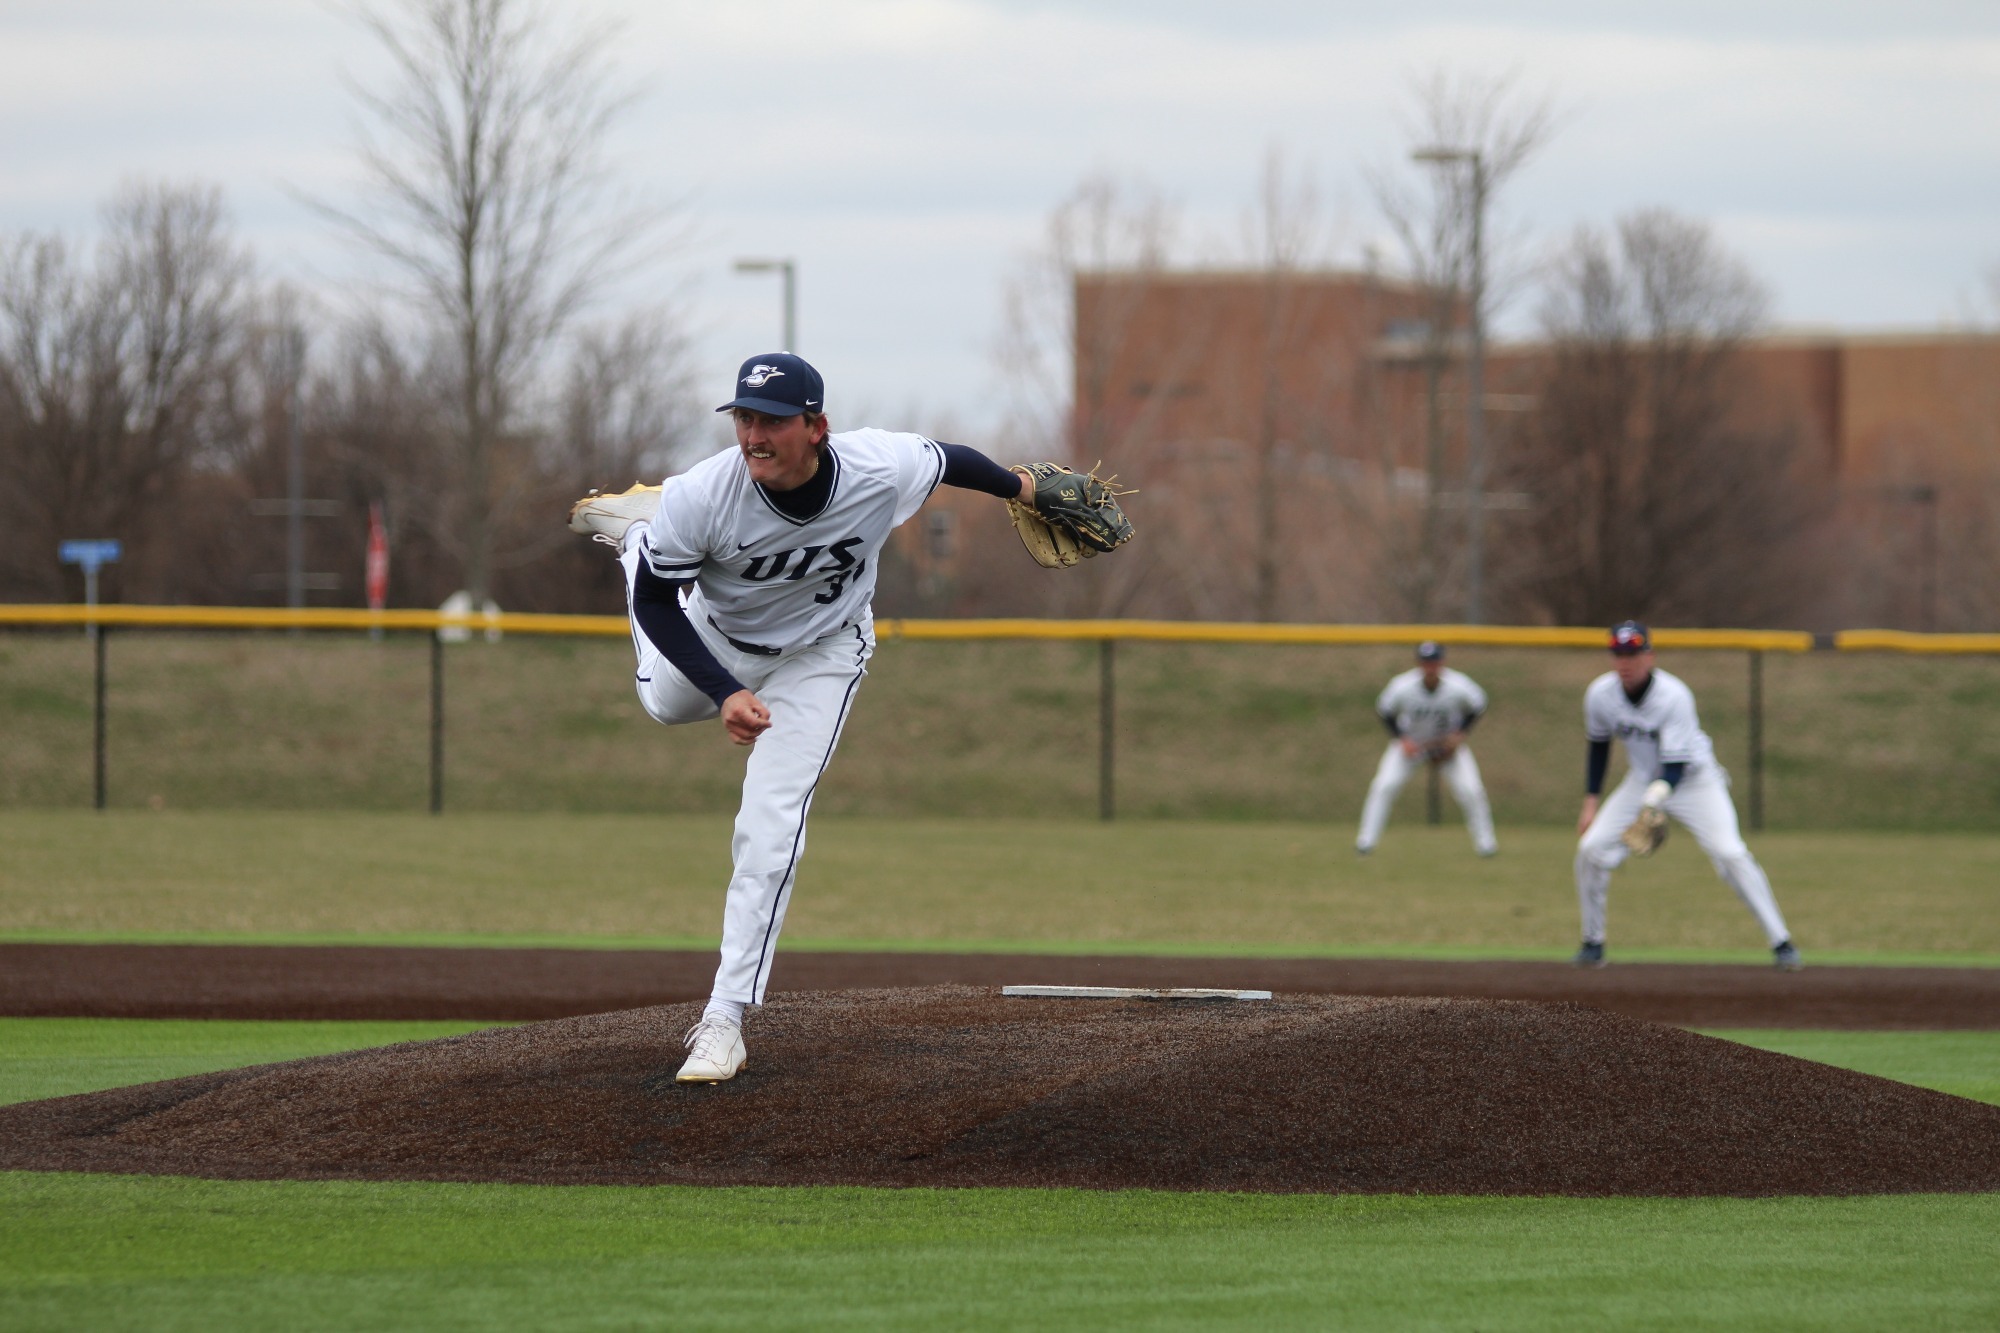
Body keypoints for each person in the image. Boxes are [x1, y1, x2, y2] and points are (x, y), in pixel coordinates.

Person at [568, 352, 1076, 1083]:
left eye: (771, 420)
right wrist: (721, 691)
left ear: (816, 426)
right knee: (661, 700)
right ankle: (637, 540)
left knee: (771, 820)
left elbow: (950, 461)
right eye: (743, 417)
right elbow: (655, 607)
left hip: (823, 649)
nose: (752, 434)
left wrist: (1024, 486)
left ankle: (723, 1018)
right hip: (716, 638)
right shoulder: (705, 495)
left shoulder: (876, 467)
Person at [1573, 621, 1801, 970]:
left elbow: (1675, 766)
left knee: (1730, 853)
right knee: (1590, 848)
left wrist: (1653, 801)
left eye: (1632, 653)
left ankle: (1781, 942)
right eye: (1618, 653)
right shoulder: (1600, 694)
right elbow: (1599, 747)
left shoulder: (1673, 695)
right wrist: (1591, 802)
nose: (1624, 662)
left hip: (1696, 782)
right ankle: (1593, 942)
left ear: (1649, 655)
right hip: (1641, 781)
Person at [1356, 641, 1496, 857]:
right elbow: (1384, 710)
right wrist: (1402, 740)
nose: (1430, 667)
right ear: (1419, 664)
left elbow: (1478, 705)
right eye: (1426, 662)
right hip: (1413, 745)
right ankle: (1365, 842)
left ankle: (1486, 845)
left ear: (1442, 663)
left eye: (1434, 662)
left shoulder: (1458, 685)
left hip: (1447, 747)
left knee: (1471, 790)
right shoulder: (1402, 686)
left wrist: (1460, 734)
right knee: (1384, 786)